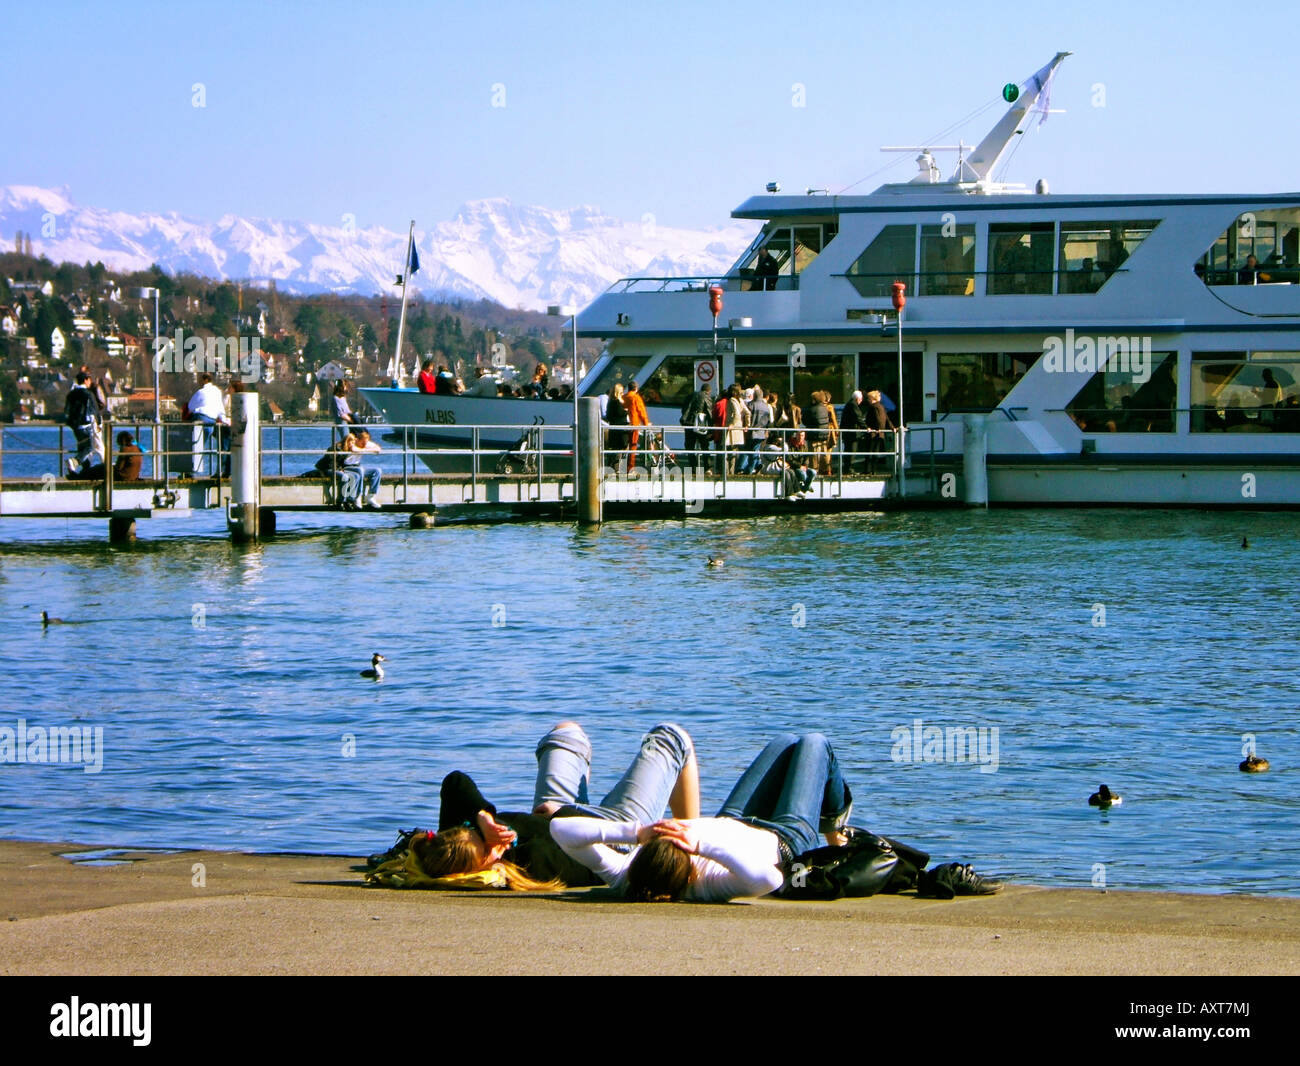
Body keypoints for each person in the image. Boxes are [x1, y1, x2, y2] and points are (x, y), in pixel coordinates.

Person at [551, 733, 853, 903]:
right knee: (814, 743)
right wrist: (701, 845)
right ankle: (833, 824)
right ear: (690, 876)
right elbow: (770, 878)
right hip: (785, 837)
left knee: (785, 742)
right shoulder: (709, 885)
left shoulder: (625, 876)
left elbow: (560, 828)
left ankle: (831, 821)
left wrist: (636, 833)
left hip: (733, 817)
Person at [397, 721, 700, 890]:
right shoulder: (536, 867)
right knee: (670, 737)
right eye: (491, 849)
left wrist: (481, 818)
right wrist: (566, 815)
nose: (499, 841)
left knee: (565, 732)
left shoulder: (461, 842)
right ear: (484, 869)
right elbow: (585, 851)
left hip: (559, 810)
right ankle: (694, 850)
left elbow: (456, 783)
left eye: (473, 831)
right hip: (614, 831)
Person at [187, 373, 229, 477]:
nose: (198, 382)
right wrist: (224, 420)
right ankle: (223, 470)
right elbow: (220, 408)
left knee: (195, 445)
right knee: (222, 441)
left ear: (205, 380)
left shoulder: (200, 392)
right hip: (212, 420)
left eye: (199, 380)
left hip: (200, 418)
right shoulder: (217, 392)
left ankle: (191, 472)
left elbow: (190, 407)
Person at [64, 372, 101, 477]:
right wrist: (99, 423)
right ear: (85, 380)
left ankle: (85, 471)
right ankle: (75, 461)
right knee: (89, 447)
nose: (90, 382)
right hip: (85, 424)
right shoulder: (88, 394)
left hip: (75, 426)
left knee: (82, 448)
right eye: (89, 379)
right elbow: (94, 409)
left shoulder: (71, 394)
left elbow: (66, 410)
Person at [340, 427, 383, 509]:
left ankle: (370, 496)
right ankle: (358, 496)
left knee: (377, 471)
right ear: (357, 440)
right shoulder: (352, 442)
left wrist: (365, 448)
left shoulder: (365, 444)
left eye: (365, 443)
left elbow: (378, 449)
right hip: (347, 467)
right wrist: (367, 450)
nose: (364, 444)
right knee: (360, 470)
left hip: (357, 466)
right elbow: (354, 449)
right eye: (362, 442)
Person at [679, 383, 714, 474]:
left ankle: (694, 468)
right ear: (708, 391)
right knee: (704, 446)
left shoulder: (690, 396)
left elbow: (684, 409)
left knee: (690, 447)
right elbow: (710, 413)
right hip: (700, 424)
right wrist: (711, 429)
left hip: (689, 424)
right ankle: (707, 468)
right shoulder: (706, 397)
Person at [738, 387, 771, 474]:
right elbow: (768, 421)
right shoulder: (766, 407)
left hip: (751, 432)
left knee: (747, 450)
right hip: (761, 432)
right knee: (755, 450)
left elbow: (746, 417)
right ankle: (754, 466)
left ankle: (746, 469)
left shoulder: (751, 405)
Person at [864, 389, 896, 474]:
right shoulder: (881, 406)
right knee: (876, 453)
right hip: (880, 433)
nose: (867, 400)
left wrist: (876, 428)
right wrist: (892, 427)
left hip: (873, 433)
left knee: (869, 452)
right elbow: (887, 419)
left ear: (872, 399)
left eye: (868, 398)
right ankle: (873, 470)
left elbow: (877, 418)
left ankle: (867, 470)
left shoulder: (873, 407)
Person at [623, 380, 650, 470]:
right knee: (633, 446)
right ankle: (630, 468)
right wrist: (646, 424)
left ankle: (619, 467)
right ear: (636, 389)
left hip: (623, 424)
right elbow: (641, 412)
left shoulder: (624, 397)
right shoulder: (636, 397)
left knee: (623, 446)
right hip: (634, 425)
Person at [723, 384, 749, 475]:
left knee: (726, 452)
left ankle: (727, 473)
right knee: (734, 452)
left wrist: (732, 424)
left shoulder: (731, 400)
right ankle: (731, 472)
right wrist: (747, 425)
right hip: (739, 429)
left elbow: (737, 414)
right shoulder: (741, 400)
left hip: (731, 429)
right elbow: (747, 412)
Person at [840, 390, 867, 474]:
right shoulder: (853, 405)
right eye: (861, 399)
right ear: (857, 399)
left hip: (848, 432)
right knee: (851, 451)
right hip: (852, 433)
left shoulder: (849, 404)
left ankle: (847, 469)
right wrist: (866, 427)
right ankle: (849, 469)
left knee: (848, 451)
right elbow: (858, 417)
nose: (861, 401)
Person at [605, 383, 629, 473]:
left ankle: (613, 467)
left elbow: (608, 416)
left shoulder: (610, 402)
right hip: (620, 429)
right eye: (622, 392)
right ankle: (617, 468)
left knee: (617, 449)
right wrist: (626, 411)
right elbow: (620, 413)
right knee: (621, 448)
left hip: (615, 428)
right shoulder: (616, 402)